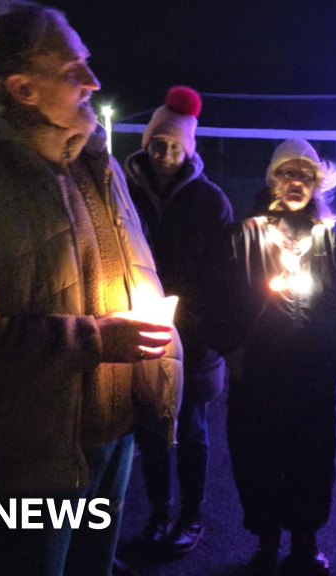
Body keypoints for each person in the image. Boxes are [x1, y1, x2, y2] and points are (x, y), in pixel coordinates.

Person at [0, 2, 182, 574]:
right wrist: (96, 339)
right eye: (71, 69)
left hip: (111, 441)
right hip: (26, 462)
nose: (93, 81)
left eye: (88, 63)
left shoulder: (96, 167)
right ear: (22, 88)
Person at [218, 138, 336, 575]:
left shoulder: (330, 242)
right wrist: (233, 349)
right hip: (260, 372)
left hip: (313, 376)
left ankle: (305, 541)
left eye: (305, 175)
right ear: (272, 179)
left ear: (317, 184)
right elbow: (219, 299)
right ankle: (265, 541)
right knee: (259, 457)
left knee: (312, 459)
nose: (296, 182)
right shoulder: (245, 236)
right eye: (287, 173)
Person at [124, 85, 233, 556]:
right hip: (138, 332)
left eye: (176, 146)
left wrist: (205, 331)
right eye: (158, 144)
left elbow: (224, 274)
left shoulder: (211, 201)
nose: (166, 154)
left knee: (191, 430)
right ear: (146, 143)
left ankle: (191, 516)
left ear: (189, 149)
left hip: (192, 339)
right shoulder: (122, 188)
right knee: (150, 430)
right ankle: (159, 512)